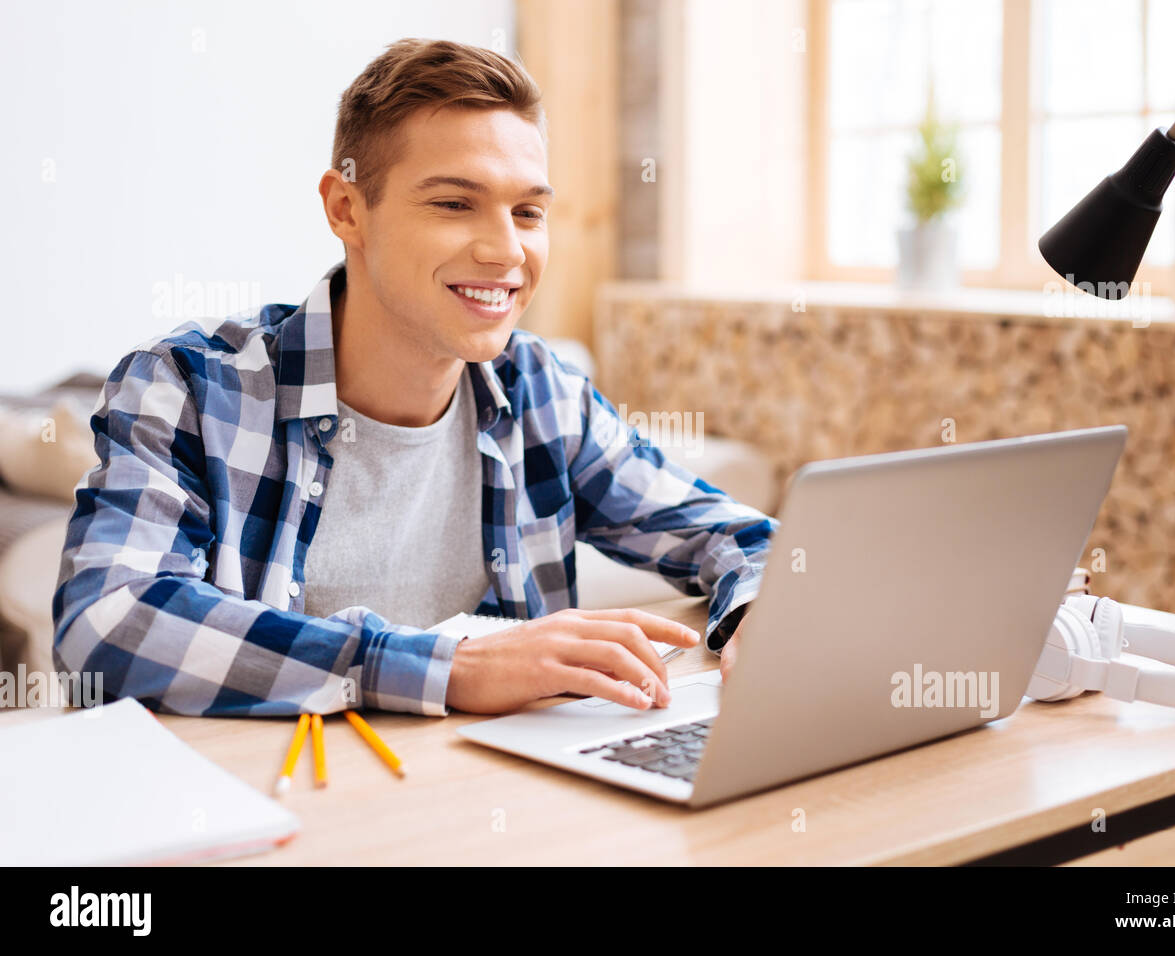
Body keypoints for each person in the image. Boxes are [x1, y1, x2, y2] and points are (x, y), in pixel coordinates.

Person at [52, 38, 776, 718]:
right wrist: (448, 668)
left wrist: (759, 610)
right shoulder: (190, 385)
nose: (506, 251)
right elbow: (105, 621)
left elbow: (740, 537)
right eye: (454, 203)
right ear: (347, 209)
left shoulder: (538, 390)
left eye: (528, 211)